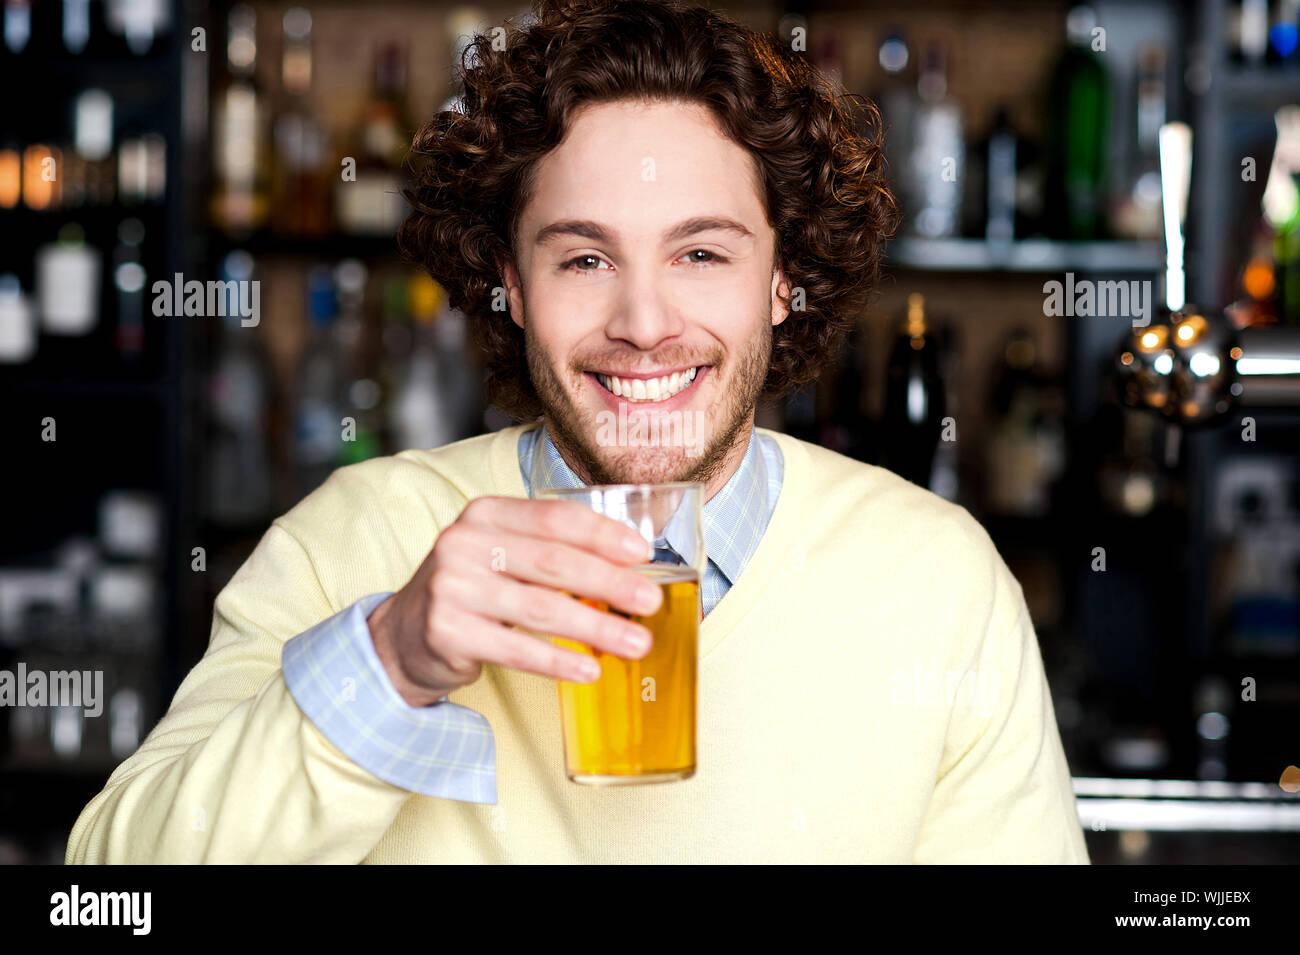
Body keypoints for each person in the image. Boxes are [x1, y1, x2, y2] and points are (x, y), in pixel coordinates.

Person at [67, 0, 1089, 863]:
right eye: (583, 259)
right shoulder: (350, 543)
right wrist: (388, 663)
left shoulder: (939, 585)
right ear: (509, 283)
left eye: (700, 254)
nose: (644, 325)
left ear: (783, 280)